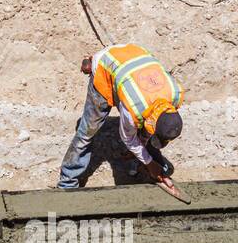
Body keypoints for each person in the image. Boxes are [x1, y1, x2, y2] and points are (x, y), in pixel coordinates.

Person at [57, 42, 185, 200]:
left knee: (144, 132)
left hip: (133, 57)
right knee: (87, 132)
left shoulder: (175, 95)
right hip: (106, 67)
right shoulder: (133, 107)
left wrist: (144, 155)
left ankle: (138, 162)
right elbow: (128, 138)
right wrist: (150, 164)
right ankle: (67, 183)